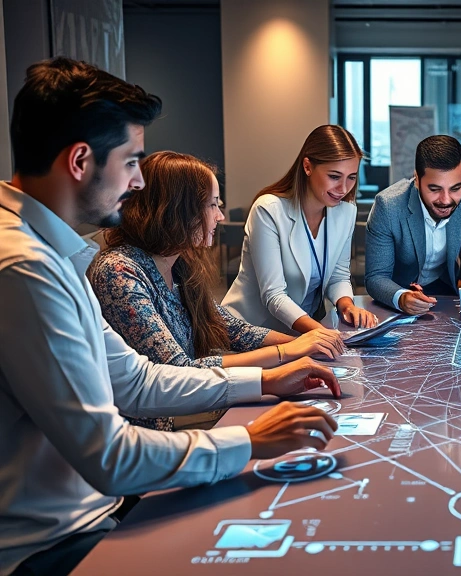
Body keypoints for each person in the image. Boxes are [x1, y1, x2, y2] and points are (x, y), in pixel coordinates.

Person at [0, 58, 339, 576]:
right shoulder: (25, 268)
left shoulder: (52, 252)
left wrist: (264, 381)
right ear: (80, 161)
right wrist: (249, 440)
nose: (138, 182)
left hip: (89, 517)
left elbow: (135, 380)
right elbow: (108, 456)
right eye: (131, 161)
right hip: (50, 547)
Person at [87, 151, 347, 431]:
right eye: (212, 205)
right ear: (177, 209)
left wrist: (305, 346)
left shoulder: (178, 262)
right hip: (149, 435)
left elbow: (231, 328)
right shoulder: (120, 270)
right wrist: (286, 351)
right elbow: (179, 370)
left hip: (179, 418)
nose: (220, 217)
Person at [223, 125, 377, 334]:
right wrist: (321, 334)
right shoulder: (268, 210)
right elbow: (274, 295)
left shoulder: (345, 212)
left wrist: (347, 306)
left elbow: (338, 276)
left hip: (304, 330)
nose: (343, 188)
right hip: (252, 331)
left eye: (351, 177)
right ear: (307, 166)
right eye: (334, 176)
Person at [365, 135, 461, 314]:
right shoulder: (388, 206)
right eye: (435, 189)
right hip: (397, 294)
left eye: (455, 188)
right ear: (416, 178)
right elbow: (376, 277)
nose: (446, 200)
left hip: (443, 290)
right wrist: (401, 297)